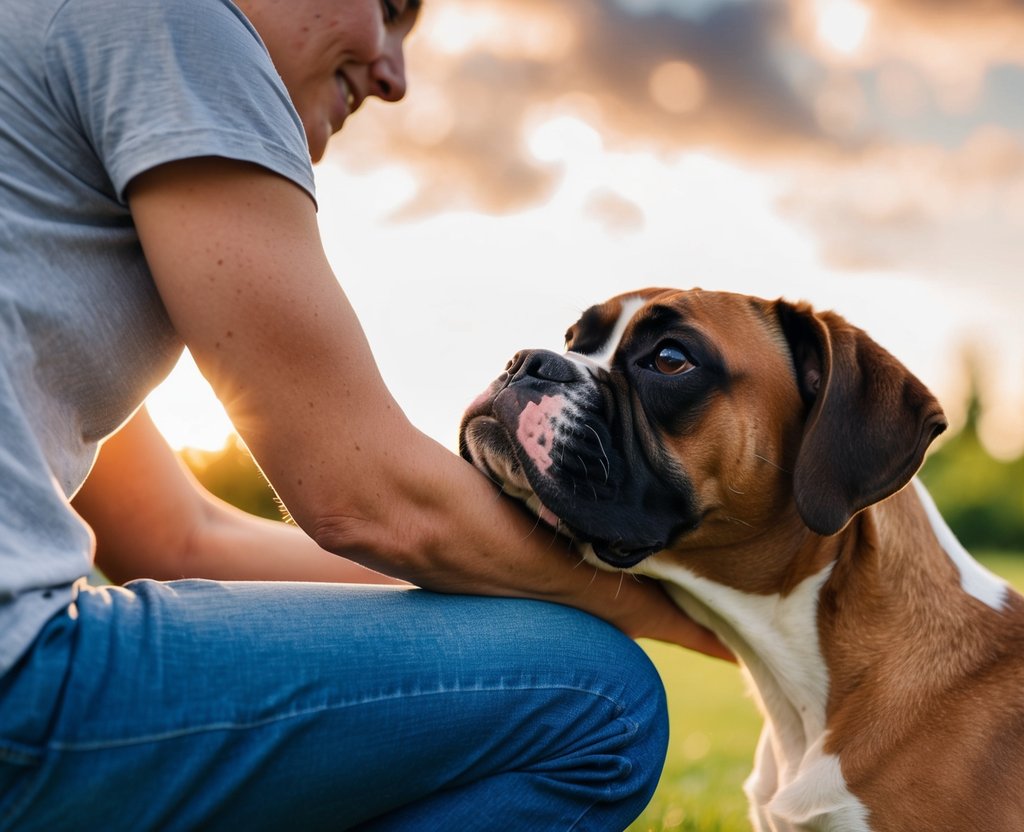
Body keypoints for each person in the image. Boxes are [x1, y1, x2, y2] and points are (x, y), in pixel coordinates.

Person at [0, 0, 729, 828]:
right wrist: (673, 614)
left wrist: (505, 594)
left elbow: (175, 536)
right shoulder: (180, 22)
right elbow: (368, 497)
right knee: (598, 701)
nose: (393, 73)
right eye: (387, 9)